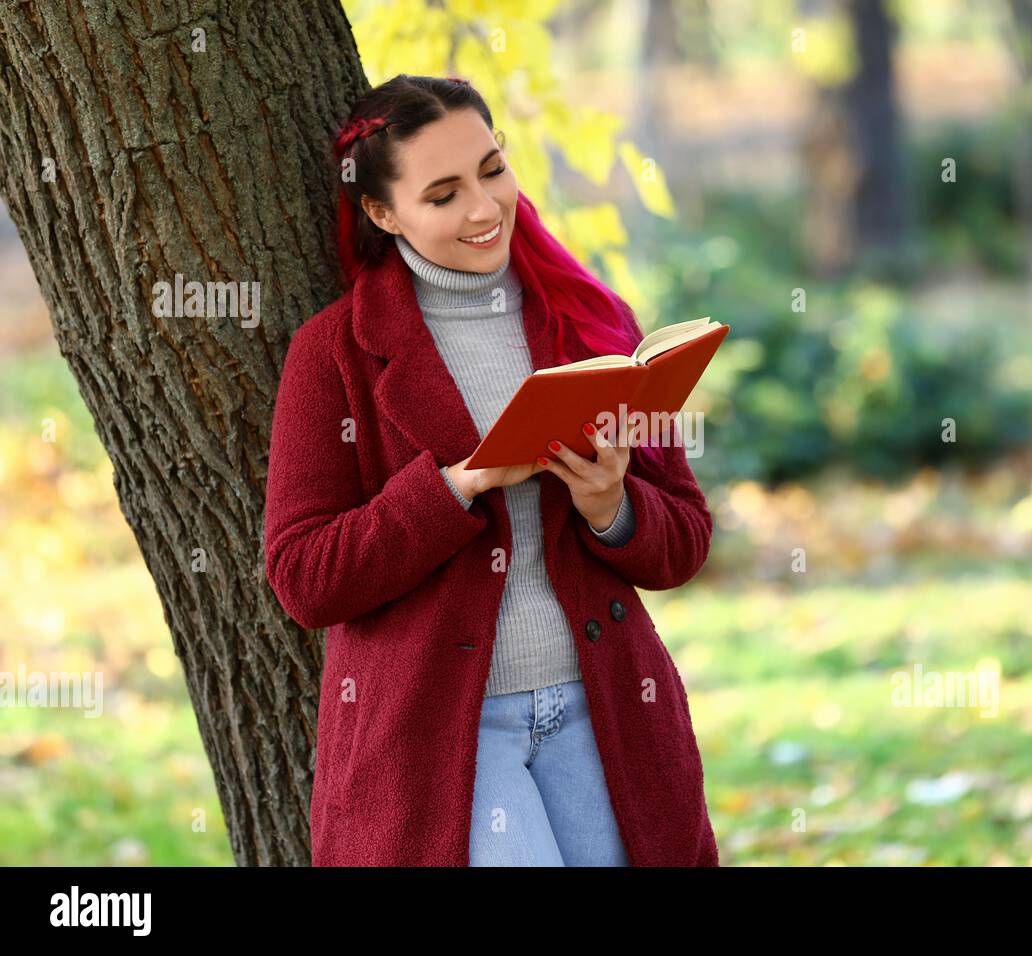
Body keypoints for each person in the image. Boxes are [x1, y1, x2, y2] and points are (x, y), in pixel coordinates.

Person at [263, 74, 719, 866]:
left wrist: (613, 505)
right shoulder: (332, 354)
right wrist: (457, 486)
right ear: (382, 212)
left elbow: (683, 542)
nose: (484, 209)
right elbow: (304, 577)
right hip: (441, 733)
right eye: (442, 195)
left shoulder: (589, 321)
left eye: (492, 169)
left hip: (605, 711)